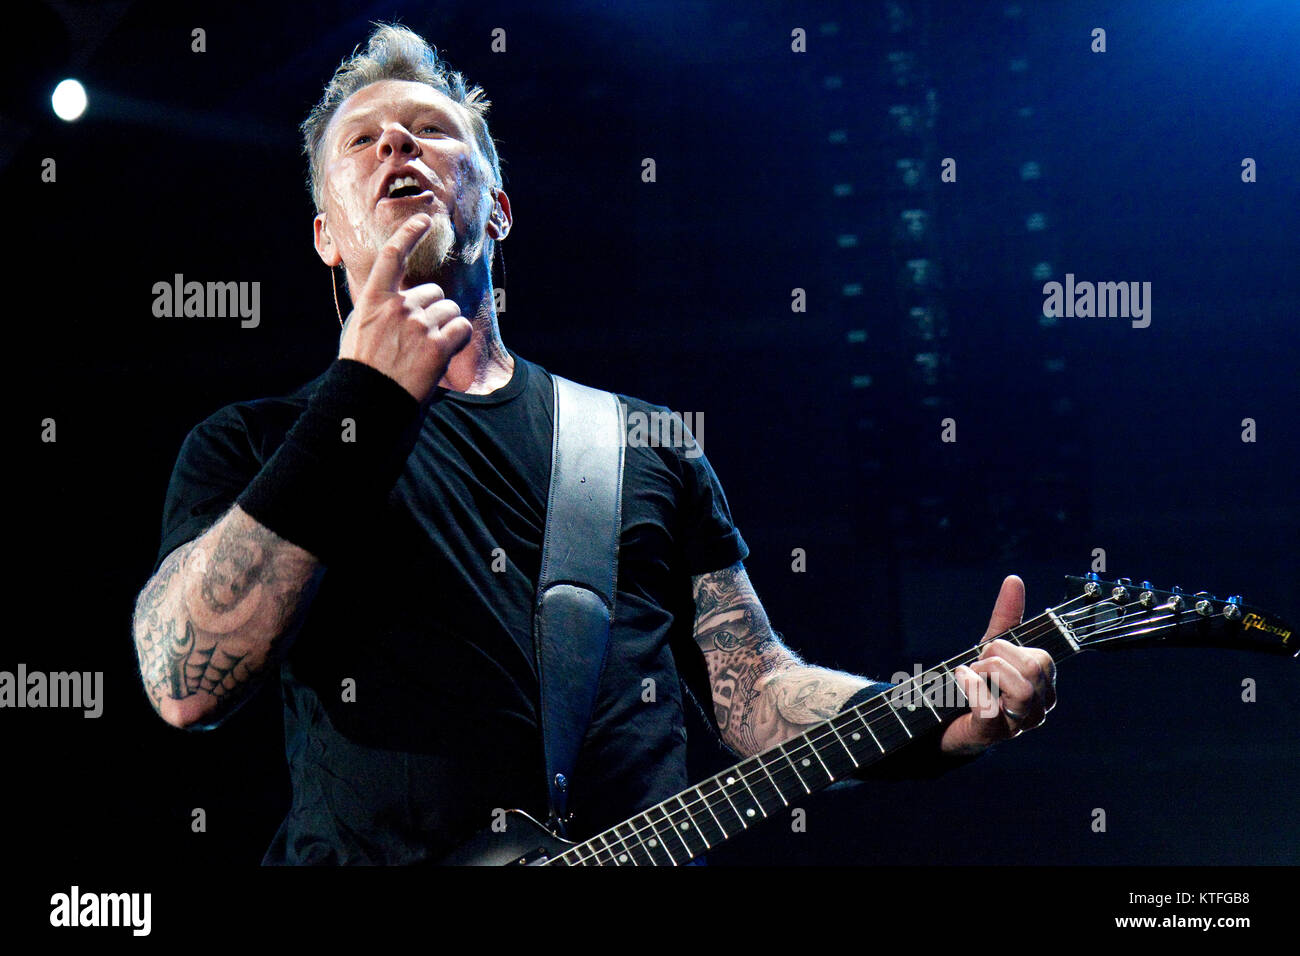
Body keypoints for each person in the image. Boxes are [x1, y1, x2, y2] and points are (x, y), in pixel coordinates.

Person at [131, 23, 1057, 865]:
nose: (397, 145)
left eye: (431, 130)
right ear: (326, 237)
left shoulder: (636, 445)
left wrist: (937, 714)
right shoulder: (252, 443)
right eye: (362, 141)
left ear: (498, 208)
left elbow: (755, 692)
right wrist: (364, 399)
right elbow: (183, 679)